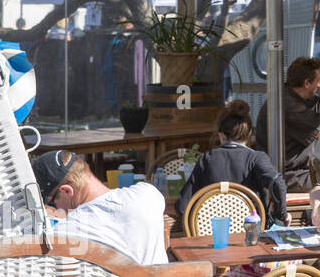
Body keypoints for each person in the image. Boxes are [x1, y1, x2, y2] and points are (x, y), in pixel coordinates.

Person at [35, 150, 167, 265]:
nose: (55, 208)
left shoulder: (67, 231)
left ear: (67, 191)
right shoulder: (148, 195)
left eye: (51, 202)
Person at [176, 99, 288, 224]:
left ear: (221, 135)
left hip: (213, 235)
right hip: (252, 235)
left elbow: (182, 206)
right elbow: (277, 183)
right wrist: (281, 215)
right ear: (250, 133)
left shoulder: (207, 159)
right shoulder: (257, 158)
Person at [255, 56, 320, 176]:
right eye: (318, 81)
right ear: (307, 83)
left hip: (287, 169)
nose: (319, 86)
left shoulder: (285, 95)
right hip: (288, 174)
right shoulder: (290, 106)